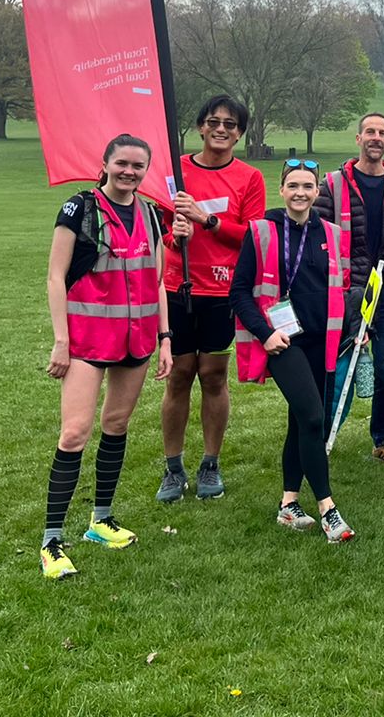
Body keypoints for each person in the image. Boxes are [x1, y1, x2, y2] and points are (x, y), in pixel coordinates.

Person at [39, 134, 174, 579]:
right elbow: (56, 277)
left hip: (134, 341)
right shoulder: (80, 208)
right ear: (106, 163)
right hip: (86, 341)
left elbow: (156, 282)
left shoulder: (153, 214)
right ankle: (52, 541)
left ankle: (101, 519)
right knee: (74, 433)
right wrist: (61, 339)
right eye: (122, 163)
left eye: (138, 165)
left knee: (116, 426)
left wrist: (165, 339)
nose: (129, 171)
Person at [229, 160, 355, 541]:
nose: (301, 192)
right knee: (315, 420)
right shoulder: (262, 231)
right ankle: (328, 509)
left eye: (308, 186)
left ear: (318, 192)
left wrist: (352, 332)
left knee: (300, 421)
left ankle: (288, 504)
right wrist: (265, 333)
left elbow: (341, 288)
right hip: (283, 342)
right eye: (293, 185)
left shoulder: (332, 233)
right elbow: (238, 292)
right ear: (281, 190)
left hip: (322, 340)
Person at [157, 95, 266, 504]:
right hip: (178, 287)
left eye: (231, 124)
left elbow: (254, 234)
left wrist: (208, 220)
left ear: (240, 133)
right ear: (200, 126)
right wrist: (175, 236)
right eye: (214, 122)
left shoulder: (249, 178)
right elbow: (164, 230)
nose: (222, 129)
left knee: (213, 376)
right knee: (180, 374)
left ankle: (210, 462)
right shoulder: (176, 172)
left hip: (223, 291)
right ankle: (173, 467)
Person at [313, 112, 384, 466]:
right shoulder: (333, 184)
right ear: (358, 138)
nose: (376, 138)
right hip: (346, 291)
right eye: (370, 132)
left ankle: (382, 440)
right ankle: (322, 434)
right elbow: (318, 235)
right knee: (339, 367)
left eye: (383, 133)